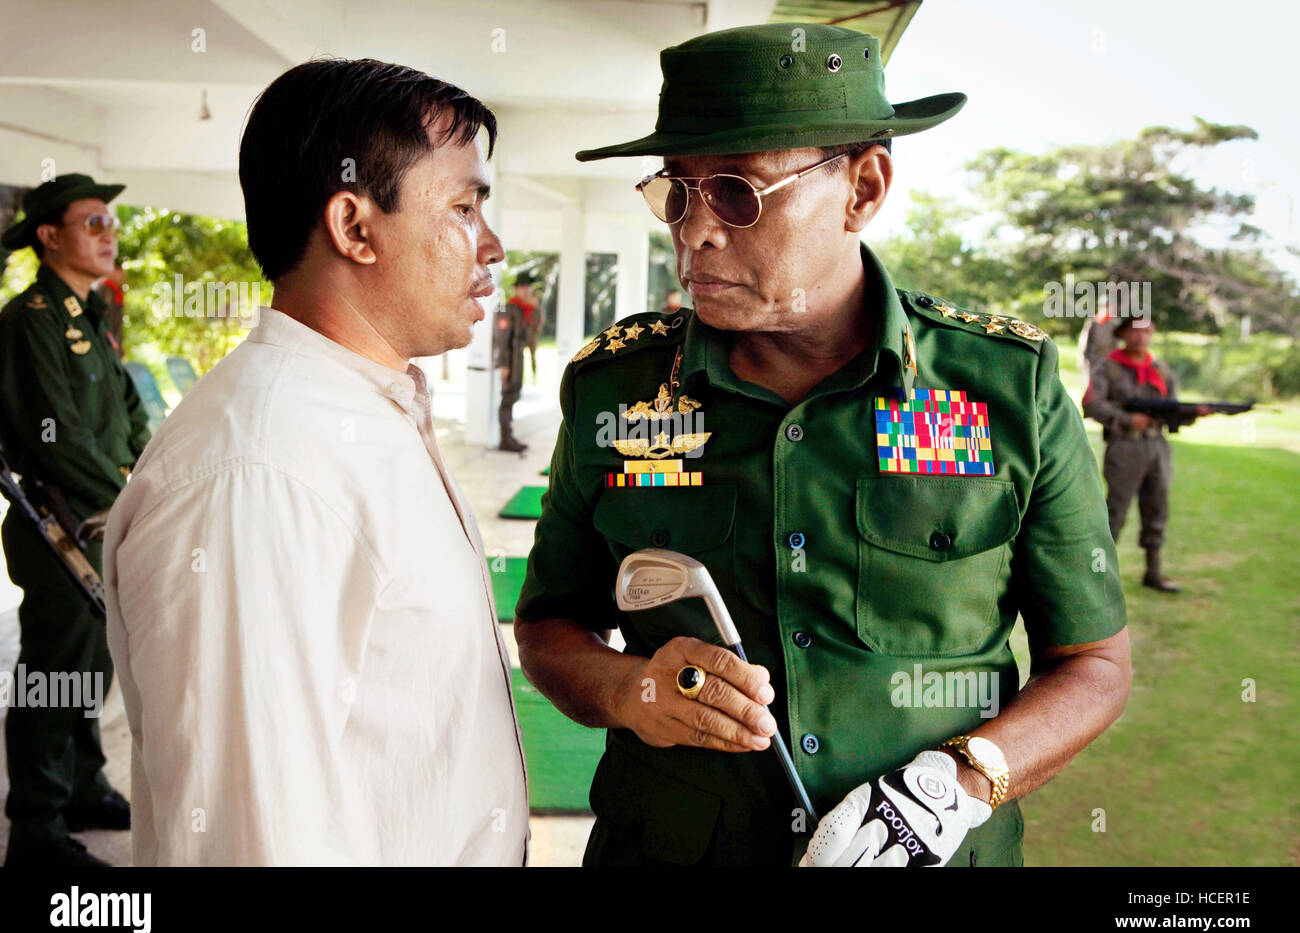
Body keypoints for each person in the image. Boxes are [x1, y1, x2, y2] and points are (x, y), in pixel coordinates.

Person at [515, 23, 1130, 867]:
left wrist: (961, 783)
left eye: (736, 192)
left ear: (863, 188)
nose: (694, 233)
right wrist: (631, 688)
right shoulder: (616, 391)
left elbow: (1094, 662)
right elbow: (551, 625)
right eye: (676, 193)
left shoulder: (1004, 390)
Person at [103, 58, 529, 865]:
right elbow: (250, 838)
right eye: (464, 207)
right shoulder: (257, 475)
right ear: (355, 226)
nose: (493, 246)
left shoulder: (363, 409)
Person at [0, 173, 151, 867]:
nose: (107, 233)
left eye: (109, 223)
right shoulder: (31, 319)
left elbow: (129, 415)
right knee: (53, 675)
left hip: (99, 521)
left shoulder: (89, 315)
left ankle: (84, 786)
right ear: (49, 236)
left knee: (92, 663)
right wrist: (127, 497)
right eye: (92, 223)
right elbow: (51, 435)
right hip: (55, 523)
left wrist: (149, 475)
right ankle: (36, 825)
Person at [1083, 315, 1208, 592]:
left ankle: (1154, 572)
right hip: (1125, 446)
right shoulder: (1109, 367)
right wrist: (1127, 420)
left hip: (1157, 446)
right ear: (1123, 334)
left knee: (1157, 509)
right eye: (1135, 332)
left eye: (1148, 332)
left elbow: (1173, 410)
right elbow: (1092, 405)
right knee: (1115, 511)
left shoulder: (1160, 370)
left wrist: (1194, 413)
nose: (1141, 337)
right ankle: (1098, 575)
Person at [495, 272, 536, 451]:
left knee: (513, 397)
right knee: (507, 399)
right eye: (525, 286)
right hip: (510, 361)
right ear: (517, 288)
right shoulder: (509, 308)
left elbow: (530, 334)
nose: (528, 290)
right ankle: (505, 439)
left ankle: (509, 436)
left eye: (529, 286)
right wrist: (503, 365)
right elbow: (502, 338)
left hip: (518, 360)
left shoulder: (525, 309)